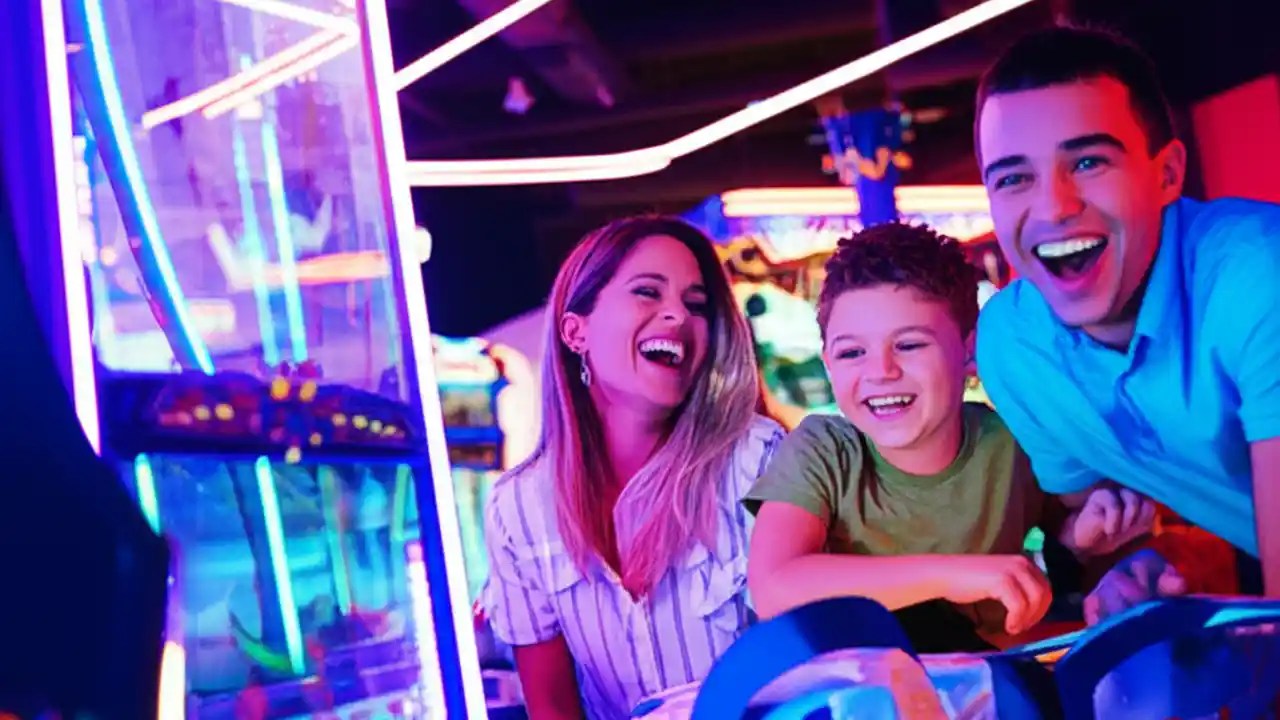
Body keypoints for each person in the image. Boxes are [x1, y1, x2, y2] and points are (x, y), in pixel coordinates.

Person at [974, 25, 1280, 616]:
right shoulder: (1014, 348)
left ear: (1167, 174)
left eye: (1088, 162)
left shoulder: (1256, 274)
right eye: (1013, 177)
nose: (1054, 207)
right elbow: (1121, 517)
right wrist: (1167, 560)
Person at [745, 223, 1151, 653]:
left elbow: (1090, 557)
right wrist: (953, 575)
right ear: (828, 363)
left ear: (970, 352)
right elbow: (773, 587)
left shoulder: (1015, 443)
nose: (880, 371)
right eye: (851, 353)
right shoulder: (825, 449)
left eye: (910, 345)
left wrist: (1089, 544)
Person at [480, 216, 784, 720]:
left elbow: (808, 661)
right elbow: (552, 707)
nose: (677, 317)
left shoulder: (756, 460)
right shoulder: (518, 507)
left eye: (696, 305)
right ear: (576, 331)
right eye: (648, 293)